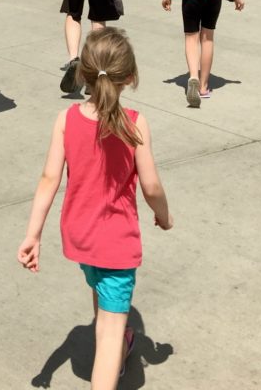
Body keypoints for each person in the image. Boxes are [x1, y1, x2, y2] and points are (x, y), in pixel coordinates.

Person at [17, 29, 173, 390]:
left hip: (80, 235)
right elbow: (151, 187)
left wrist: (33, 235)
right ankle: (113, 353)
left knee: (101, 294)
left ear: (83, 74)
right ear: (130, 77)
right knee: (107, 330)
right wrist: (164, 216)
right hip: (115, 242)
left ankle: (121, 345)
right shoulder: (135, 123)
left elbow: (48, 179)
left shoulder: (65, 119)